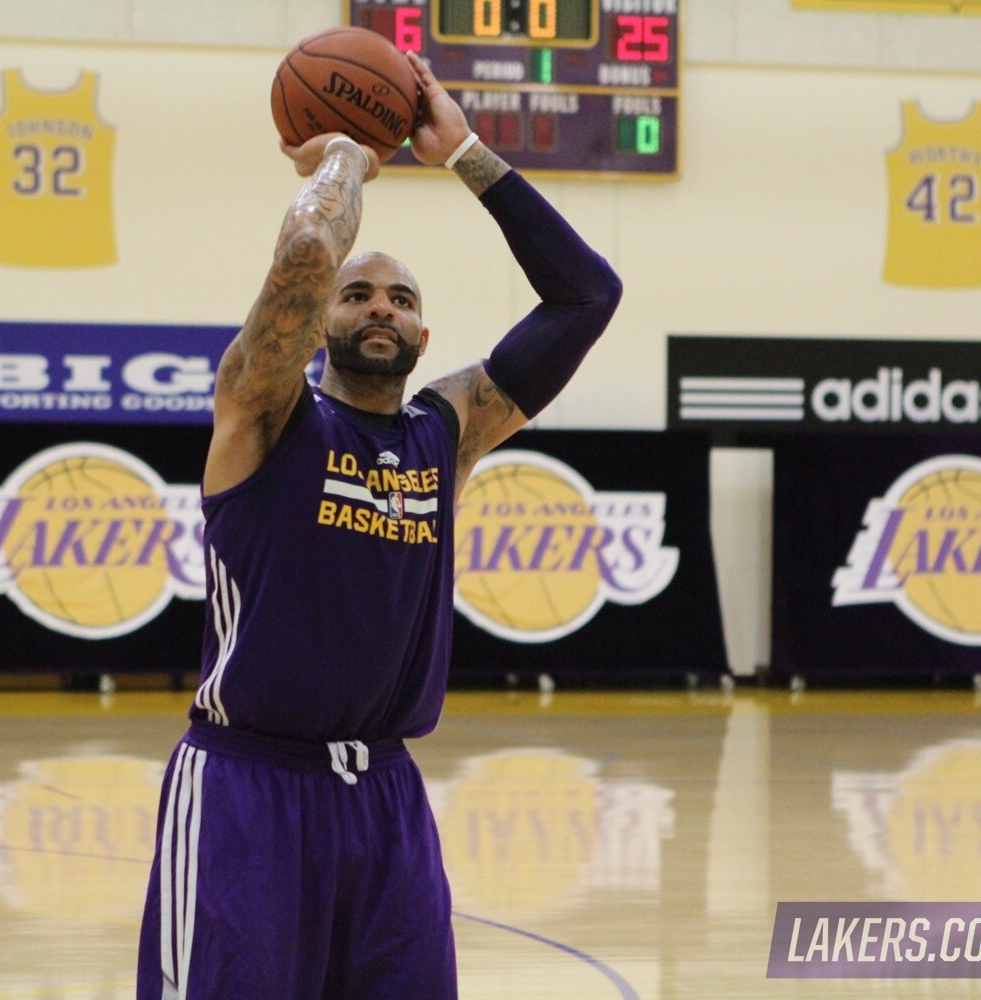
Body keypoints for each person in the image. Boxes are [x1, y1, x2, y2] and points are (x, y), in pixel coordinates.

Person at [135, 51, 622, 999]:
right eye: (361, 296)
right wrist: (348, 155)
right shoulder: (265, 410)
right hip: (248, 788)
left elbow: (587, 296)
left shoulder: (447, 430)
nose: (381, 307)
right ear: (321, 326)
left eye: (402, 297)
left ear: (425, 337)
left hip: (387, 800)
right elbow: (309, 255)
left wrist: (468, 153)